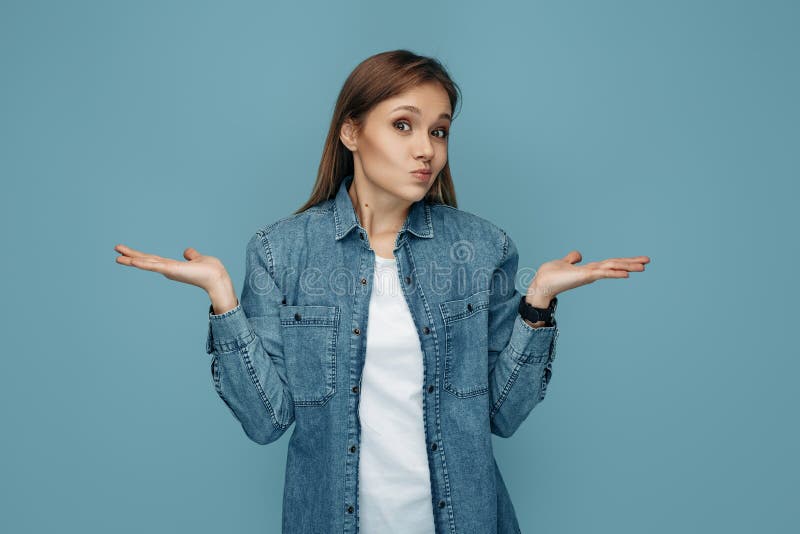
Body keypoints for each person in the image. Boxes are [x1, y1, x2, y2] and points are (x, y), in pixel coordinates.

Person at [114, 49, 649, 534]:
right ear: (351, 132)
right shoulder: (281, 252)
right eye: (403, 125)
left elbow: (502, 415)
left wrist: (538, 304)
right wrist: (222, 300)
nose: (426, 149)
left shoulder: (483, 248)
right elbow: (265, 420)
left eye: (439, 131)